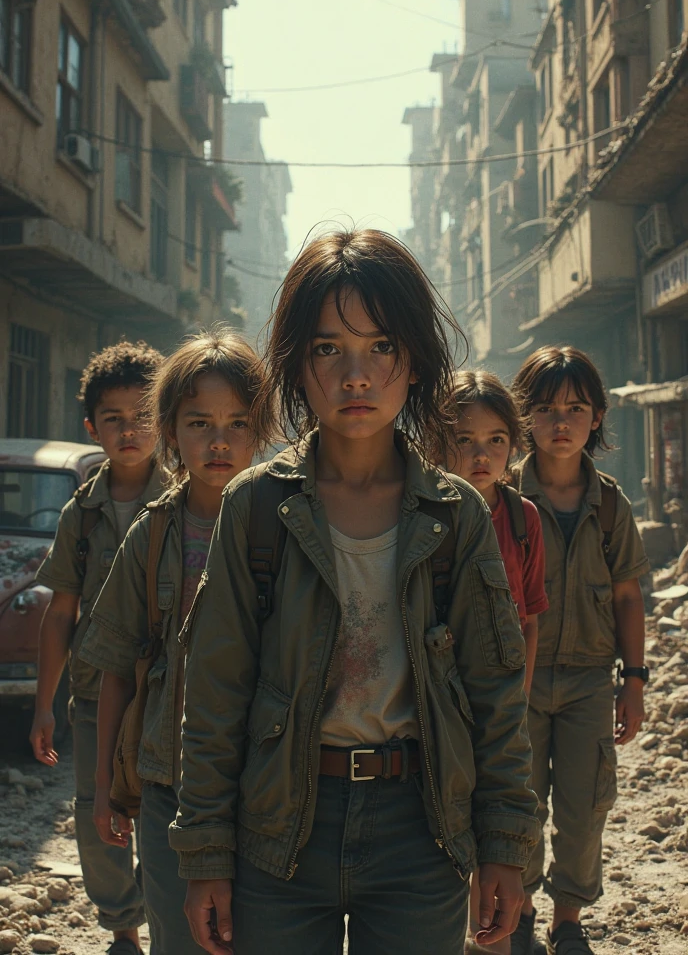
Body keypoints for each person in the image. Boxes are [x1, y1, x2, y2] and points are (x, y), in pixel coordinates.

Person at [169, 229, 540, 955]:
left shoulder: (456, 514)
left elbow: (495, 692)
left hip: (419, 828)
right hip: (280, 830)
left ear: (415, 361)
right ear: (297, 366)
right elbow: (213, 696)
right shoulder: (255, 509)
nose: (357, 375)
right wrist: (206, 857)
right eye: (329, 348)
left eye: (382, 347)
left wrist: (504, 843)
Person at [78, 329, 263, 955]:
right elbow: (117, 670)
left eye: (238, 423)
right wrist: (107, 787)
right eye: (199, 422)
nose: (219, 441)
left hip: (266, 784)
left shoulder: (289, 529)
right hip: (167, 778)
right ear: (170, 430)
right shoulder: (154, 534)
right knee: (179, 936)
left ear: (260, 431)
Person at [511, 346, 650, 955]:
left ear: (598, 416)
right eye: (545, 409)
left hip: (591, 681)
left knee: (585, 803)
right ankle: (514, 915)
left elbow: (627, 597)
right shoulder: (501, 499)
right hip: (518, 683)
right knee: (516, 803)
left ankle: (567, 920)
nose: (560, 422)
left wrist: (636, 681)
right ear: (524, 419)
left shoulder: (611, 505)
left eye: (575, 408)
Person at [30, 340, 164, 955]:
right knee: (96, 810)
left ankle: (171, 917)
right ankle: (123, 928)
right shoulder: (81, 515)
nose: (129, 430)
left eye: (143, 416)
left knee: (168, 809)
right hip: (92, 691)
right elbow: (60, 614)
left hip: (172, 692)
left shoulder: (192, 501)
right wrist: (43, 705)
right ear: (92, 427)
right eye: (114, 419)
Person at [441, 371, 548, 955]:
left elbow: (529, 618)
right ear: (438, 443)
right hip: (437, 702)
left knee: (499, 832)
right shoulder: (425, 516)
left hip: (501, 704)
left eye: (496, 441)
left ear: (514, 446)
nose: (480, 456)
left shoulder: (522, 519)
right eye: (464, 440)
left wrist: (518, 696)